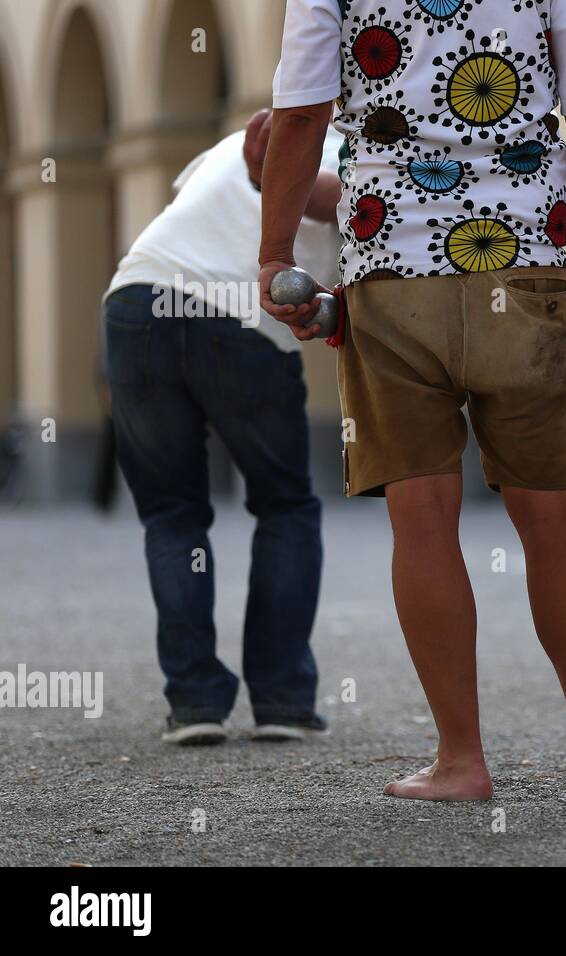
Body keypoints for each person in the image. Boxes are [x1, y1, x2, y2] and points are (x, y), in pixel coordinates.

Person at [261, 0, 566, 799]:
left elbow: (304, 109)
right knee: (554, 518)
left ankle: (461, 762)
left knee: (419, 518)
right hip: (523, 268)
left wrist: (275, 253)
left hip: (391, 275)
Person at [104, 112, 343, 745]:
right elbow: (322, 195)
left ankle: (194, 704)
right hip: (238, 315)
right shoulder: (365, 160)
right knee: (286, 505)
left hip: (137, 300)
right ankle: (283, 701)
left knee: (171, 514)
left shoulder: (248, 136)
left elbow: (213, 195)